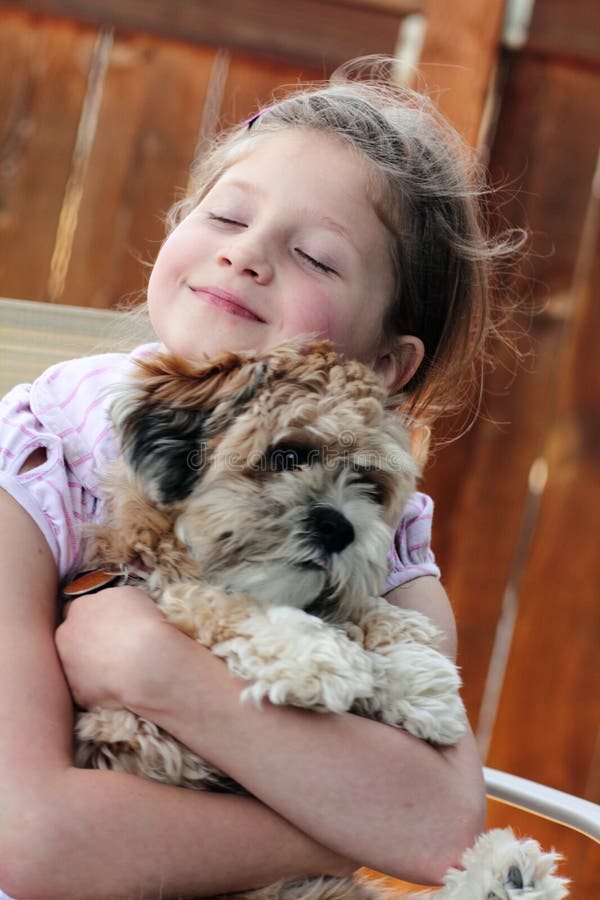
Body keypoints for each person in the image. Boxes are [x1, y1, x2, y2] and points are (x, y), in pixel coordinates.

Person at [0, 60, 517, 898]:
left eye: (314, 257)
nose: (244, 254)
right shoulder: (36, 459)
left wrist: (151, 667)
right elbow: (31, 842)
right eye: (227, 215)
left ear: (385, 365)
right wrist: (345, 824)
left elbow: (438, 826)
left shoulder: (379, 533)